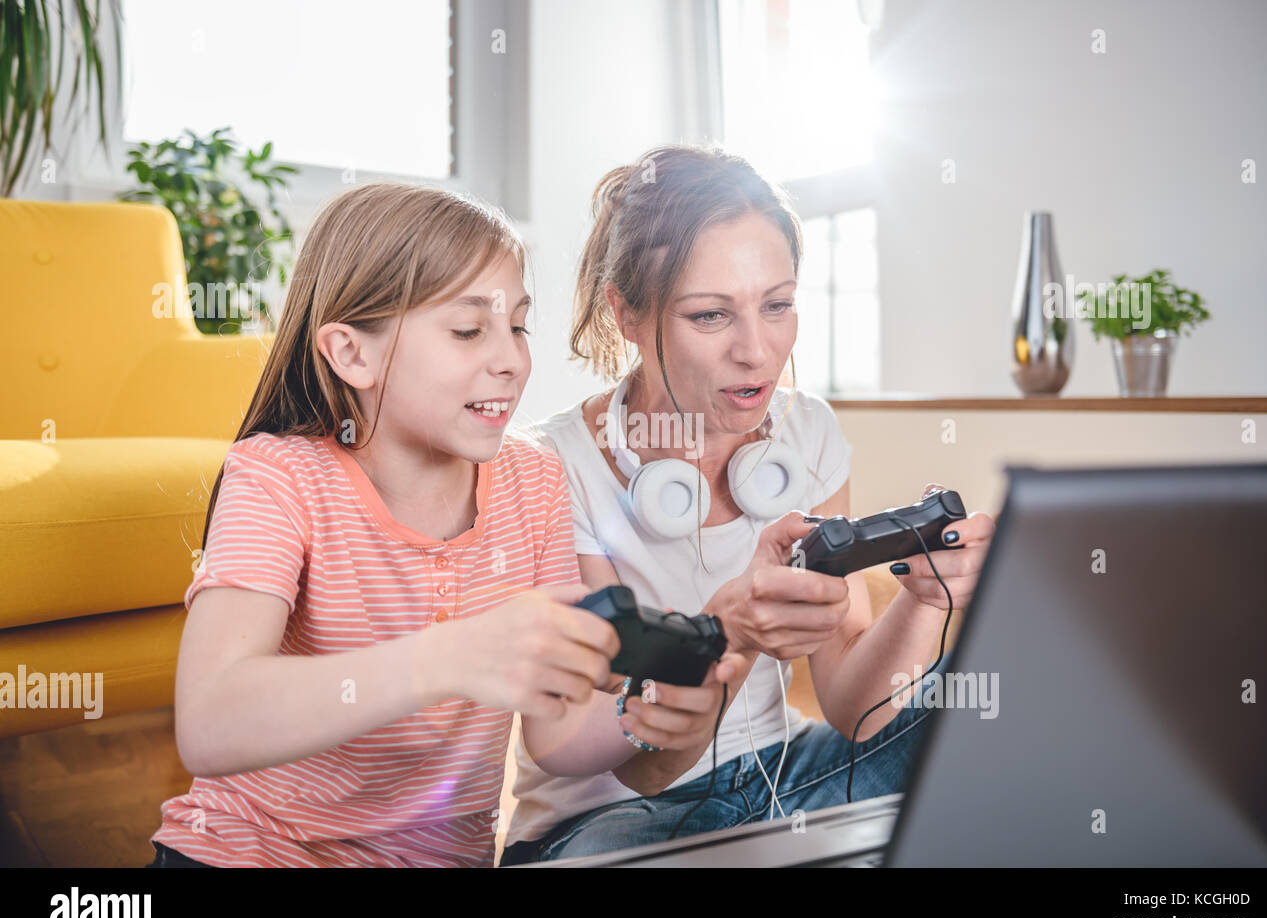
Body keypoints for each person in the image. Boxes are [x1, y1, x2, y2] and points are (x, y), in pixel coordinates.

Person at [501, 146, 996, 865]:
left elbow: (855, 707)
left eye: (778, 305)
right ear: (627, 314)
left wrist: (922, 602)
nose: (757, 352)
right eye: (710, 316)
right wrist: (723, 634)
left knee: (988, 694)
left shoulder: (808, 432)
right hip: (613, 820)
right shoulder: (556, 465)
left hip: (786, 777)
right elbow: (631, 757)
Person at [145, 182, 628, 867]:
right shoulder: (278, 476)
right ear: (352, 354)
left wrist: (653, 710)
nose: (511, 358)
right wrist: (453, 654)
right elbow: (209, 718)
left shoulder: (537, 480)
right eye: (468, 329)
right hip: (250, 850)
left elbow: (558, 730)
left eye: (517, 325)